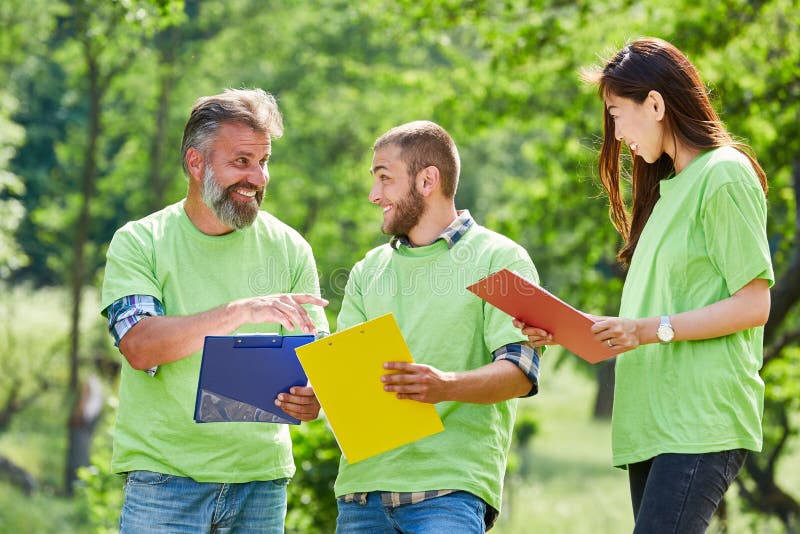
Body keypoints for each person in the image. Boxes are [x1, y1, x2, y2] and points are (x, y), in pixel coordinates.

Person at [516, 37, 773, 533]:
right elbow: (659, 314)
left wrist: (648, 330)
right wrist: (574, 329)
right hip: (653, 424)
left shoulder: (723, 174)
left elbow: (754, 303)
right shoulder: (666, 193)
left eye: (616, 113)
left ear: (654, 103)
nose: (613, 132)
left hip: (700, 421)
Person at [100, 88, 329, 533]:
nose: (258, 177)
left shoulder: (291, 248)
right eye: (241, 162)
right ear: (195, 162)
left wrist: (313, 398)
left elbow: (316, 366)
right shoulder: (140, 241)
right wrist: (238, 312)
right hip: (164, 483)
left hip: (260, 486)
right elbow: (140, 346)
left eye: (263, 162)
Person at [334, 120, 540, 533]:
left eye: (385, 179)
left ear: (428, 180)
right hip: (361, 495)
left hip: (449, 493)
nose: (375, 195)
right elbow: (347, 381)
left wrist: (445, 385)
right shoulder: (366, 271)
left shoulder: (502, 260)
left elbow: (520, 373)